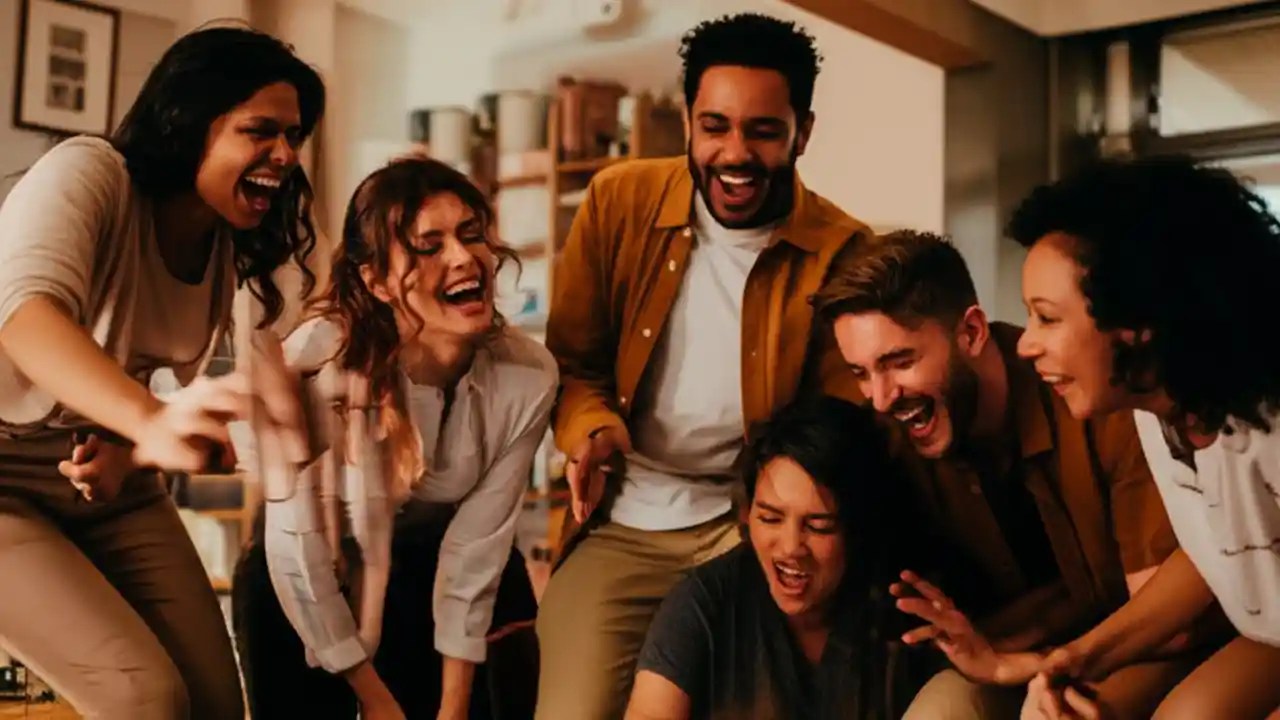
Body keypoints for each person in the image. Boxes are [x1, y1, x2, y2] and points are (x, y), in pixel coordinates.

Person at [535, 12, 871, 719]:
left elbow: (836, 423)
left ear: (801, 132)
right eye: (714, 126)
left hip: (751, 528)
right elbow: (573, 363)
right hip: (624, 521)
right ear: (688, 122)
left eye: (763, 131)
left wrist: (778, 520)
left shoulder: (845, 251)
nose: (734, 153)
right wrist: (589, 428)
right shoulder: (615, 202)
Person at [0, 25, 322, 719]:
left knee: (215, 703)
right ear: (187, 123)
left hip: (102, 480)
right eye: (259, 130)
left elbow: (127, 366)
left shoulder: (222, 244)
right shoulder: (90, 172)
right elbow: (25, 319)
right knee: (142, 696)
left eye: (293, 136)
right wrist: (151, 419)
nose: (285, 155)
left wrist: (129, 441)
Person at [812, 230, 1214, 719]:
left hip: (1153, 647)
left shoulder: (1099, 399)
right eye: (860, 372)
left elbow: (1173, 625)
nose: (880, 397)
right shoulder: (892, 435)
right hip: (1023, 656)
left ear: (973, 332)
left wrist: (1029, 663)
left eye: (900, 362)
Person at [231, 155, 558, 720]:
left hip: (432, 578)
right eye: (428, 246)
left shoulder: (526, 375)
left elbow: (476, 550)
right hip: (306, 578)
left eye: (471, 234)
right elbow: (300, 552)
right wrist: (377, 702)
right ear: (375, 281)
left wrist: (452, 708)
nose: (462, 258)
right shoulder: (323, 362)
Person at [1006, 155, 1280, 720]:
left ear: (1137, 322)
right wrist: (1081, 655)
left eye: (1047, 319)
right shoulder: (1156, 410)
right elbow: (1216, 549)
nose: (1025, 345)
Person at [625, 397, 920, 720]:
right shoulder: (705, 604)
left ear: (859, 527)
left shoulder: (905, 604)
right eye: (769, 518)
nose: (790, 547)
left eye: (819, 526)